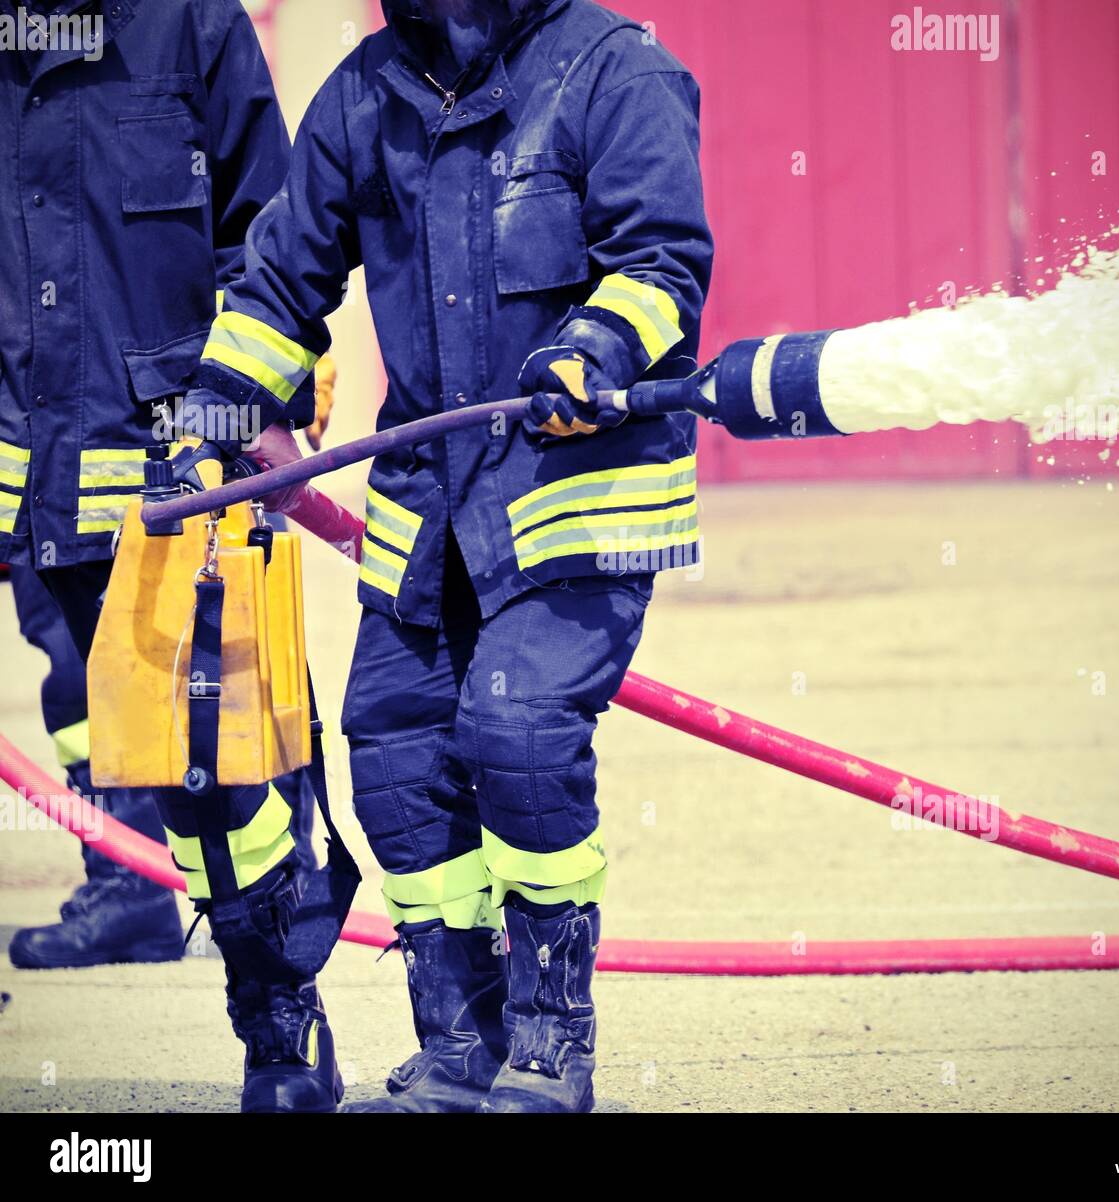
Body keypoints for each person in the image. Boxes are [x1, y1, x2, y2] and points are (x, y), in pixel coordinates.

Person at [178, 0, 713, 1113]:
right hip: (429, 504)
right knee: (398, 749)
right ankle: (461, 1047)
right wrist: (219, 409)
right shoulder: (362, 95)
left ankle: (550, 1044)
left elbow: (662, 261)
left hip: (575, 498)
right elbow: (280, 281)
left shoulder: (615, 71)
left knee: (514, 730)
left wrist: (594, 346)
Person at [0, 0, 343, 1111]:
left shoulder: (190, 26)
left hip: (163, 482)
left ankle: (278, 1025)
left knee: (216, 781)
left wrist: (241, 406)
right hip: (19, 468)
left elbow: (277, 242)